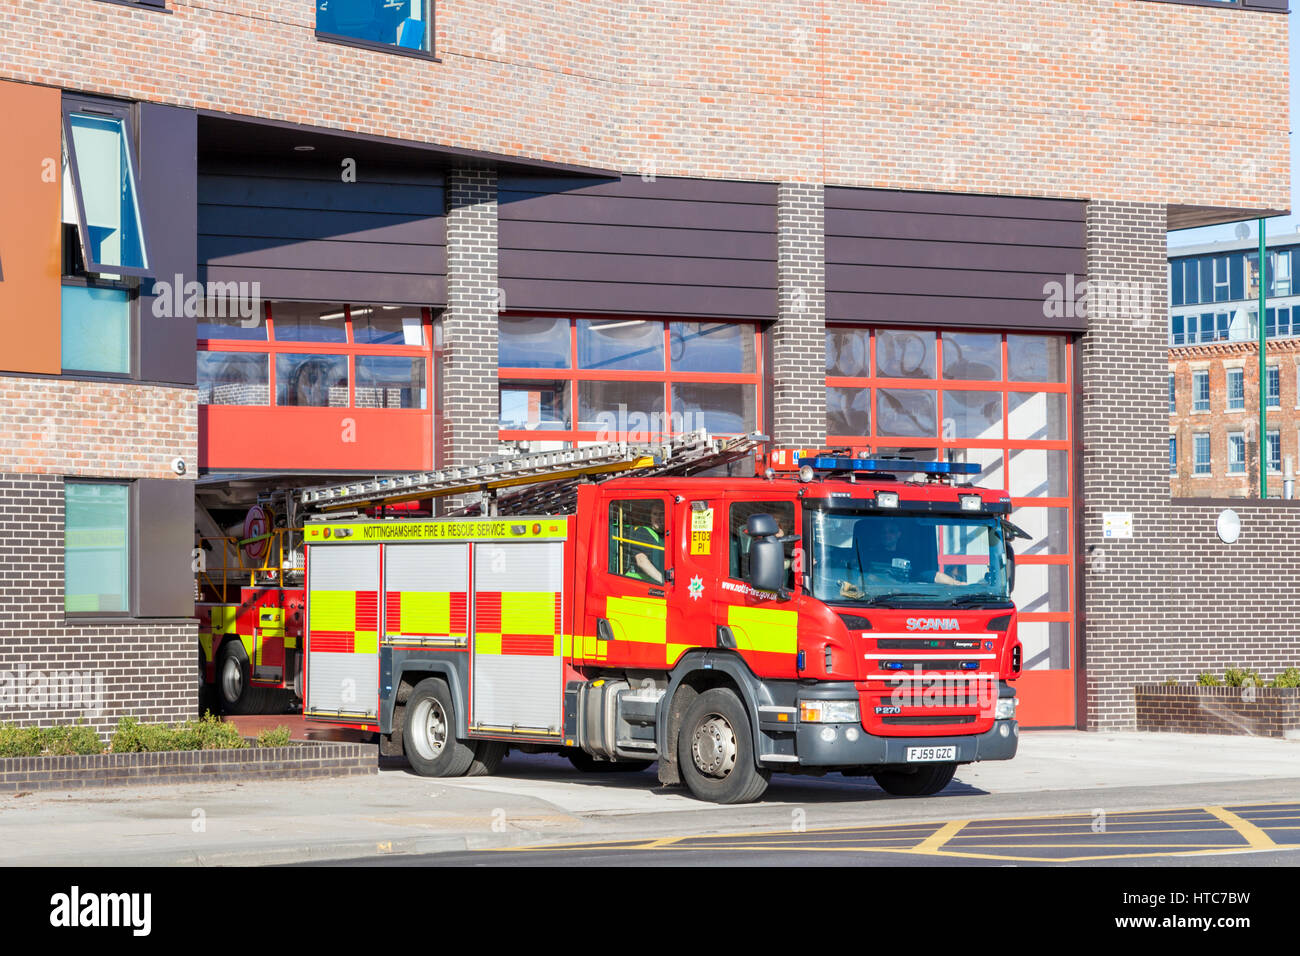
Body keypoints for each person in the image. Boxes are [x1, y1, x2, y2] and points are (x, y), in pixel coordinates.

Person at [627, 503, 666, 584]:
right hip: (639, 586)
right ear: (650, 517)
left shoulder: (665, 536)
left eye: (662, 514)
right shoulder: (642, 532)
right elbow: (641, 561)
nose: (658, 518)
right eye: (655, 514)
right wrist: (663, 580)